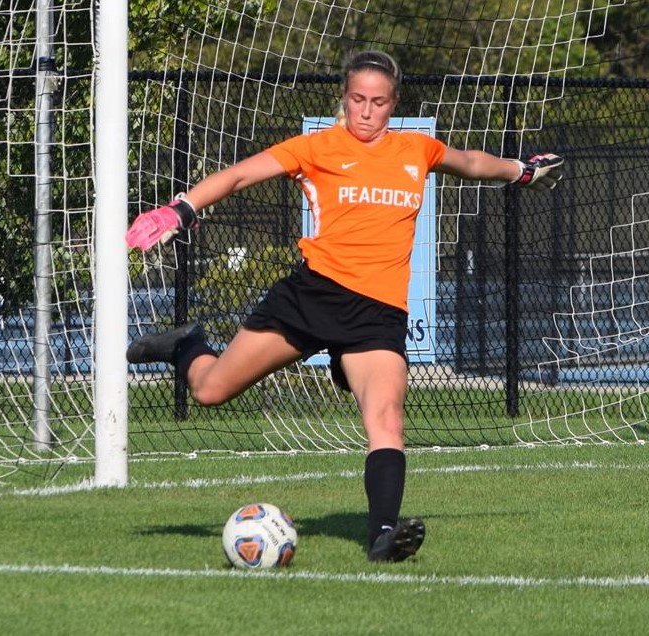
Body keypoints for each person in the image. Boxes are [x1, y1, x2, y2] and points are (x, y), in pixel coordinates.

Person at [125, 50, 563, 563]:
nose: (366, 111)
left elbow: (468, 162)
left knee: (387, 418)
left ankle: (382, 535)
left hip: (376, 316)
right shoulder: (316, 148)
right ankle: (187, 346)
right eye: (358, 99)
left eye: (378, 102)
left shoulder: (414, 149)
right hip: (312, 298)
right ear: (344, 98)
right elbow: (241, 175)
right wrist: (181, 208)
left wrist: (521, 171)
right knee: (210, 390)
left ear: (393, 104)